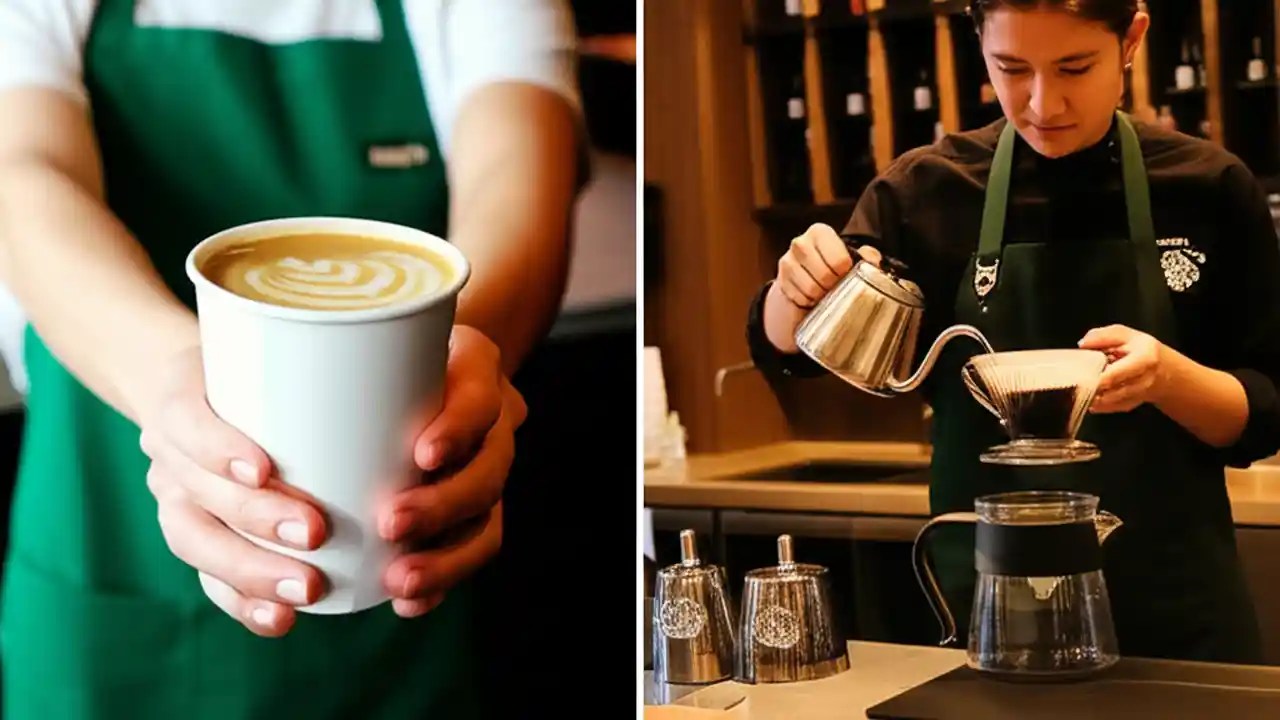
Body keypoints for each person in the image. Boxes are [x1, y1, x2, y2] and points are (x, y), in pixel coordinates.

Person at [0, 0, 585, 717]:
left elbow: (518, 190)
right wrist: (172, 384)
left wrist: (464, 359)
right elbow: (23, 178)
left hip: (395, 604)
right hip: (103, 590)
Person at [747, 0, 1280, 665]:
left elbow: (1266, 411)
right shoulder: (928, 190)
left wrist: (1166, 379)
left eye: (1074, 67)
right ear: (980, 48)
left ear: (1132, 39)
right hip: (988, 616)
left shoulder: (1209, 187)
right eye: (1011, 68)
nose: (1042, 102)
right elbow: (788, 351)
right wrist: (793, 290)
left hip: (1177, 619)